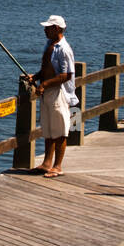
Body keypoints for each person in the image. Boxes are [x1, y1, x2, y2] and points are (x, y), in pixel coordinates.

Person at [25, 15, 77, 178]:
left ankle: (57, 166)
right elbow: (48, 68)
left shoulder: (64, 49)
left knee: (60, 131)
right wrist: (37, 77)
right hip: (47, 91)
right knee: (48, 129)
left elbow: (66, 75)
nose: (45, 30)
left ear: (56, 29)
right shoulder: (50, 44)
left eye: (48, 27)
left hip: (59, 92)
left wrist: (44, 85)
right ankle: (47, 164)